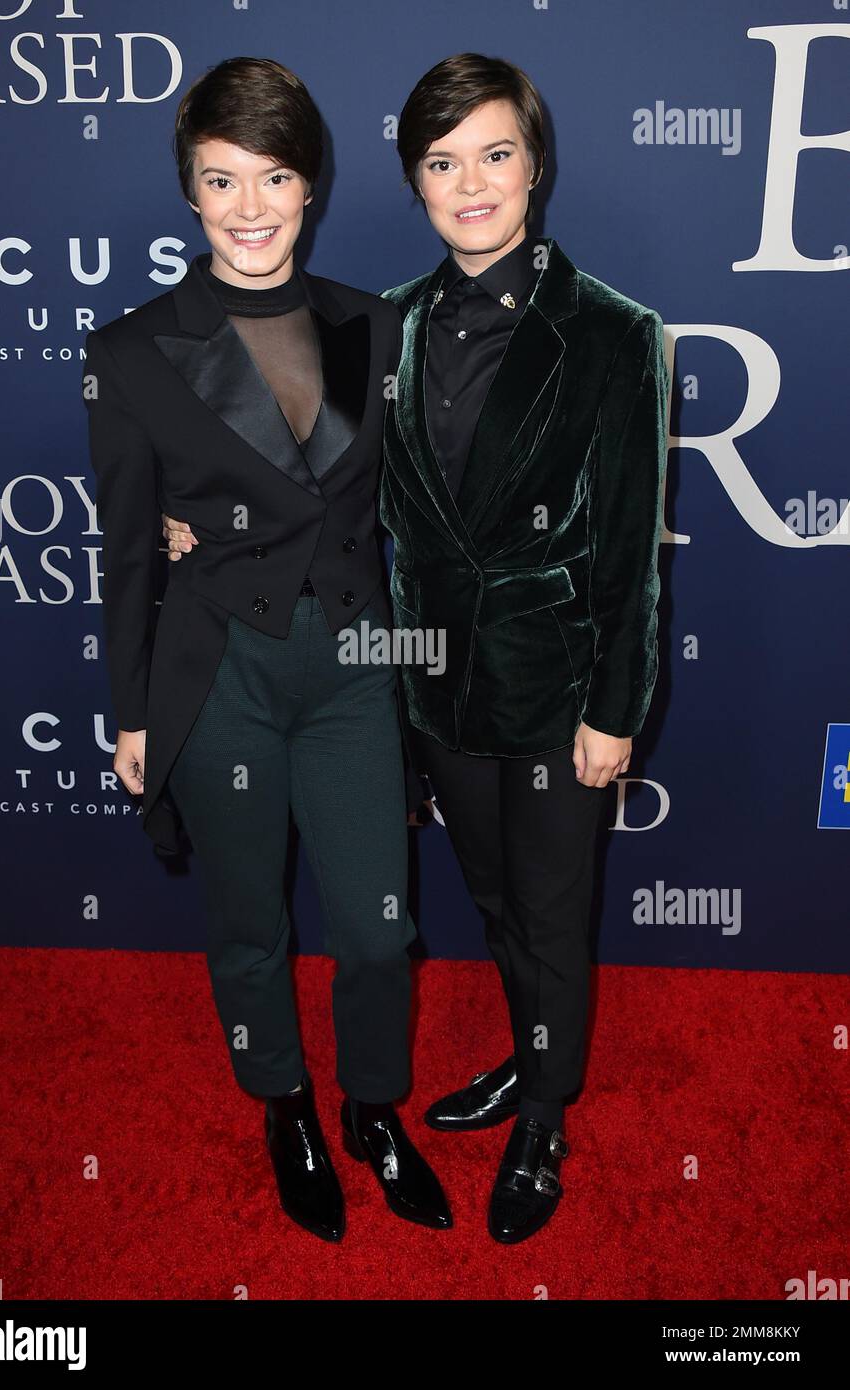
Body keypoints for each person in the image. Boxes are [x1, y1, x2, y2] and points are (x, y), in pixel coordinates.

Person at [164, 52, 671, 1245]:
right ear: (415, 184)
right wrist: (196, 519)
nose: (472, 184)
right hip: (431, 680)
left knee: (552, 909)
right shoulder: (376, 329)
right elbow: (315, 498)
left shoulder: (614, 335)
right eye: (443, 163)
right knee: (494, 897)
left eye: (496, 154)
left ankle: (544, 1110)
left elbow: (632, 551)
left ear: (535, 166)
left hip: (555, 688)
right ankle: (524, 1050)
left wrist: (616, 709)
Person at [83, 55, 451, 1244]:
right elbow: (129, 546)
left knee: (378, 926)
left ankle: (373, 1106)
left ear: (312, 185)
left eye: (274, 177)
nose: (249, 209)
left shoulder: (375, 323)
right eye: (220, 180)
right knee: (248, 921)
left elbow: (419, 514)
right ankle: (283, 1100)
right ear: (190, 192)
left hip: (351, 664)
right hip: (219, 673)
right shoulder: (135, 350)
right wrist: (133, 709)